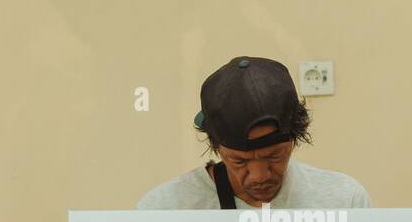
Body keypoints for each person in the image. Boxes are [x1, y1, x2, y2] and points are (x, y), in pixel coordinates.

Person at [136, 56, 371, 210]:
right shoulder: (163, 211)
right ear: (216, 147)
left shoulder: (344, 201)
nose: (259, 176)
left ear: (294, 140)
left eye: (274, 156)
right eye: (239, 160)